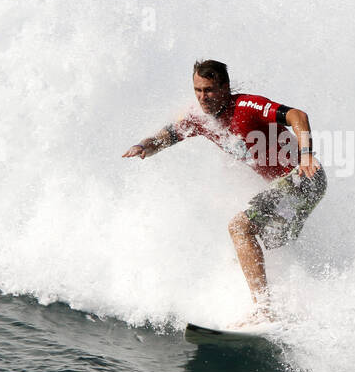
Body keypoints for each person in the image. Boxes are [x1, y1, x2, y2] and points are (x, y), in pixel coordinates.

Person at [122, 60, 326, 324]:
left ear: (225, 88)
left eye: (208, 90)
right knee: (252, 252)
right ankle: (294, 313)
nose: (202, 97)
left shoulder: (246, 106)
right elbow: (167, 136)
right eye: (197, 90)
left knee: (240, 228)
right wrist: (144, 146)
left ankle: (264, 311)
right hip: (291, 190)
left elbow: (298, 116)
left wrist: (307, 154)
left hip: (304, 177)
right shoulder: (198, 120)